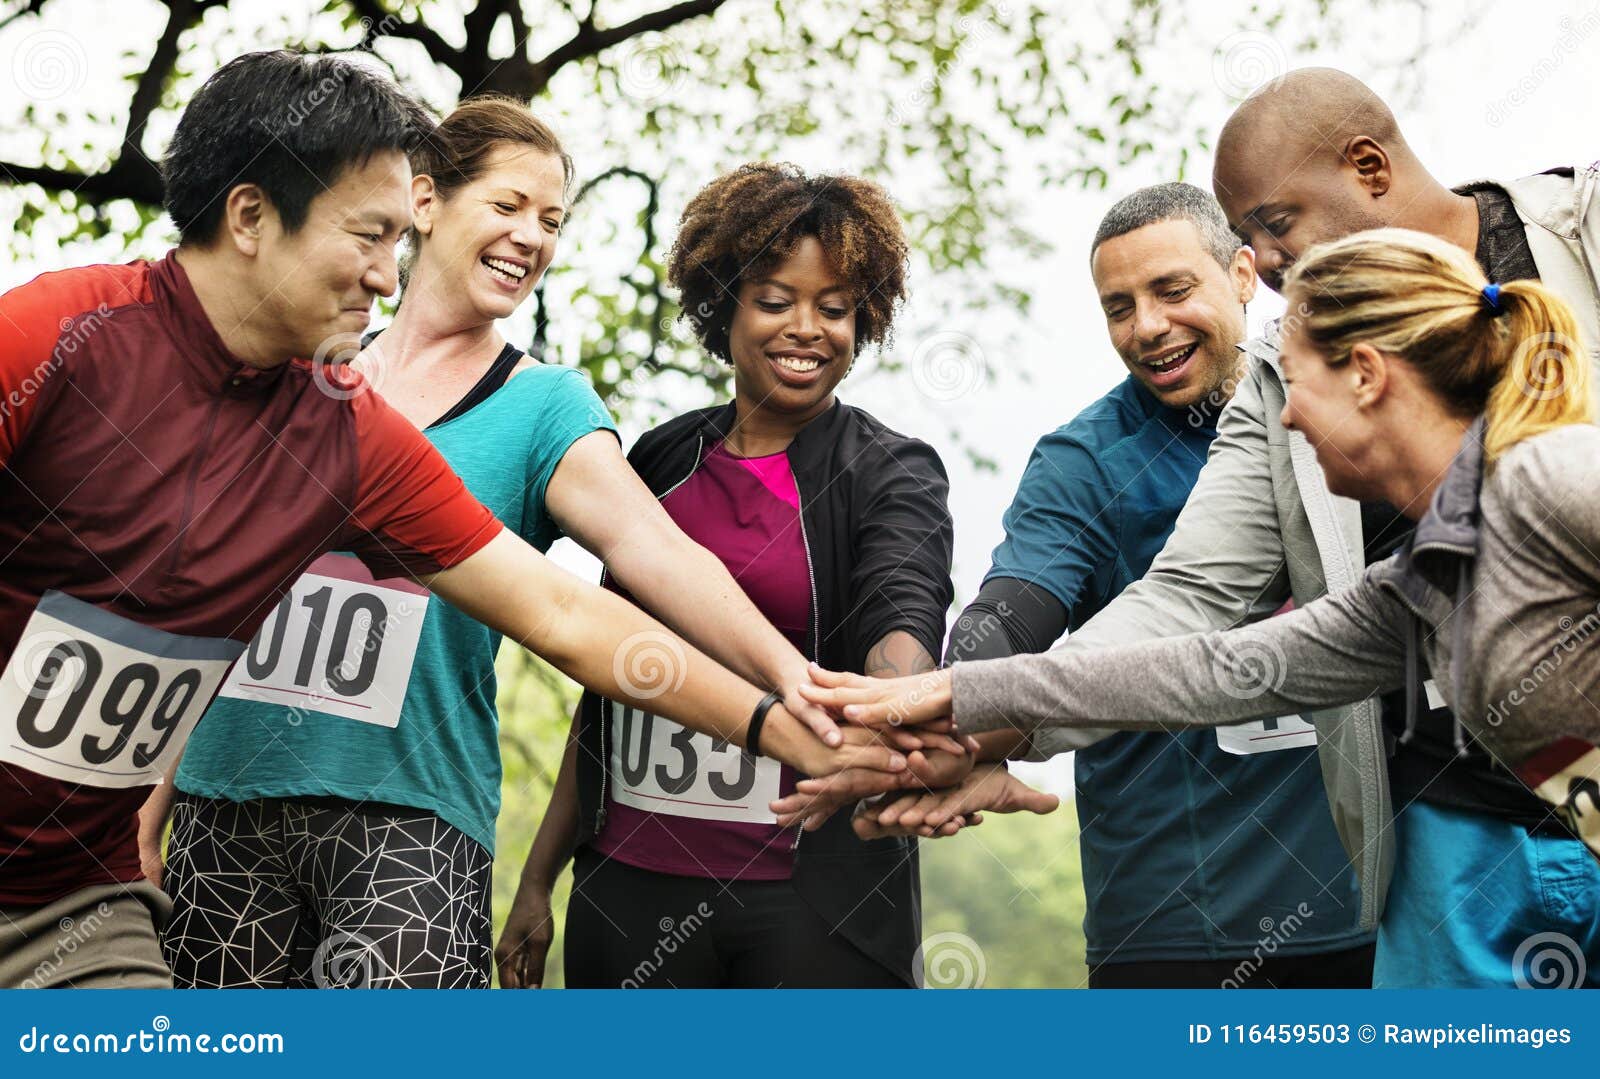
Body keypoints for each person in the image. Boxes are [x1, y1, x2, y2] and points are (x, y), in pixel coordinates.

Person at [0, 53, 897, 989]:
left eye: (552, 220)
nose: (386, 277)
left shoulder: (357, 435)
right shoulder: (66, 339)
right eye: (370, 235)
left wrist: (793, 714)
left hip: (183, 880)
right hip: (215, 825)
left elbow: (573, 610)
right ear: (254, 215)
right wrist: (162, 791)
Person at [790, 67, 1600, 988]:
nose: (1265, 262)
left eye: (1274, 226)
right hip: (1457, 833)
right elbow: (1205, 631)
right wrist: (968, 713)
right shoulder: (1403, 582)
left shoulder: (1554, 431)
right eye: (1117, 307)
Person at [496, 162, 976, 989]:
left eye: (835, 308)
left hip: (809, 909)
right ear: (724, 306)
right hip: (628, 889)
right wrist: (540, 876)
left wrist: (904, 704)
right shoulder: (655, 458)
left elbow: (903, 616)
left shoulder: (892, 471)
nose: (808, 328)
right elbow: (611, 682)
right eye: (776, 299)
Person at [946, 183, 1372, 987]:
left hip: (1372, 898)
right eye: (1118, 306)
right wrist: (946, 709)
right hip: (1172, 920)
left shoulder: (1354, 408)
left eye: (1173, 290)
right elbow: (1010, 609)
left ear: (1244, 275)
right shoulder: (1084, 460)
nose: (1146, 326)